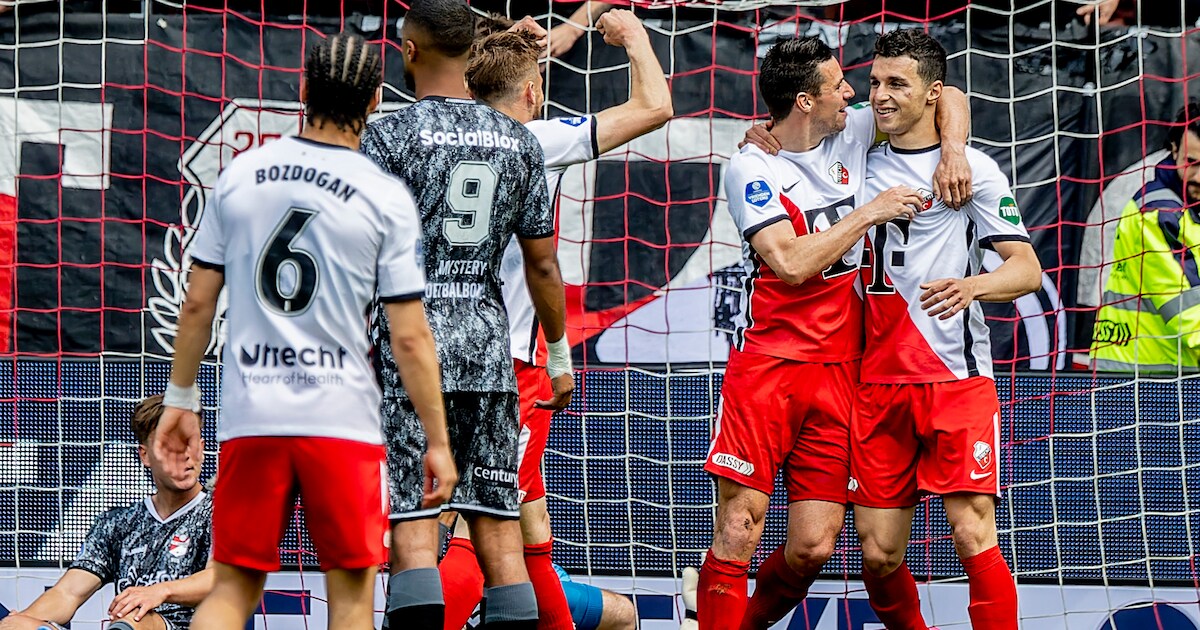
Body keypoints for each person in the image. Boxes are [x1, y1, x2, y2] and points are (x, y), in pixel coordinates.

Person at [153, 31, 454, 630]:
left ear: (303, 90)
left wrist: (181, 399)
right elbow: (412, 337)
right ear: (374, 102)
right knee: (349, 601)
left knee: (233, 592)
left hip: (252, 416)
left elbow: (196, 306)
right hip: (340, 423)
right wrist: (437, 440)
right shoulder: (383, 195)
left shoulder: (243, 175)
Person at [701, 36, 974, 630]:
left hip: (842, 372)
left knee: (813, 548)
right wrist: (869, 212)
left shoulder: (849, 132)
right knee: (739, 525)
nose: (855, 93)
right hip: (771, 366)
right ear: (804, 101)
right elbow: (791, 263)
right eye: (839, 86)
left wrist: (952, 150)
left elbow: (946, 90)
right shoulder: (753, 164)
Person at [434, 13, 673, 630]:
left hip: (425, 351)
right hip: (504, 362)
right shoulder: (536, 142)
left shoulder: (422, 137)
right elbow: (654, 106)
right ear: (534, 93)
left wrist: (498, 36)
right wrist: (636, 38)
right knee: (481, 519)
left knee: (526, 514)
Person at [359, 1, 573, 628]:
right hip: (489, 341)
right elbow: (542, 267)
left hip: (412, 340)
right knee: (501, 535)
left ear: (409, 50)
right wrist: (557, 358)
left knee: (416, 527)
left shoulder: (389, 134)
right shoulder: (519, 141)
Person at [852, 29, 1042, 630]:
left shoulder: (972, 169)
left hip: (954, 378)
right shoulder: (853, 155)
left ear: (932, 93)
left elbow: (1027, 270)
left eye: (896, 84)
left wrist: (972, 287)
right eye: (875, 81)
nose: (879, 96)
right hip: (874, 380)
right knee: (879, 554)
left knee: (972, 530)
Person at [0, 395, 214, 630]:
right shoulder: (118, 523)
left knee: (136, 619)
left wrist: (160, 592)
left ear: (202, 448)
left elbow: (223, 579)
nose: (184, 454)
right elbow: (69, 592)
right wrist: (20, 621)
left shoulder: (220, 511)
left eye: (190, 443)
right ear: (145, 455)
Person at [1089, 101, 1200, 372]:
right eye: (1192, 162)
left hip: (1171, 372)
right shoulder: (1157, 213)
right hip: (1139, 378)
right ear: (1174, 151)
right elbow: (1187, 312)